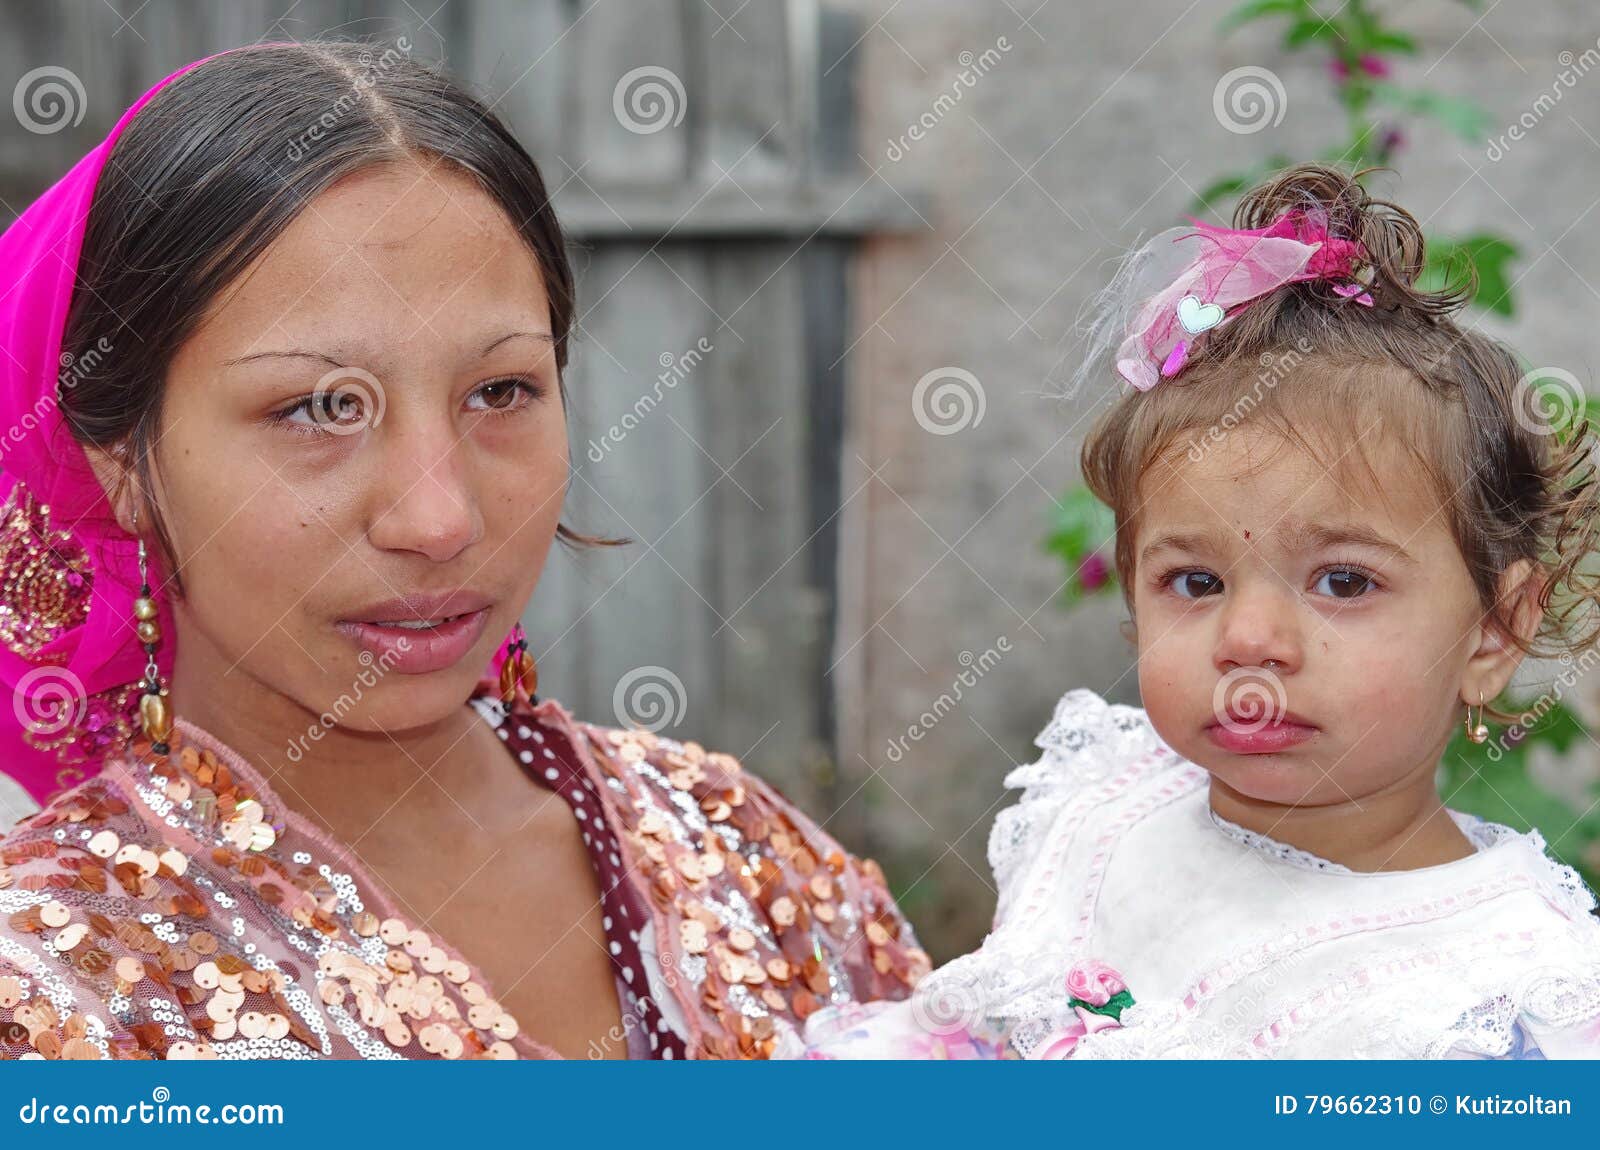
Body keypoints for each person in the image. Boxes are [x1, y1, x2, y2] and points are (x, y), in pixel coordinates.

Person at [0, 40, 927, 1061]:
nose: (439, 520)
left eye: (501, 392)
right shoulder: (56, 986)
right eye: (318, 407)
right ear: (126, 464)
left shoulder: (747, 857)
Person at [788, 162, 1600, 1059]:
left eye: (1344, 582)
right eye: (1196, 584)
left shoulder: (1495, 1002)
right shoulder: (1108, 817)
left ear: (1496, 628)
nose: (1250, 641)